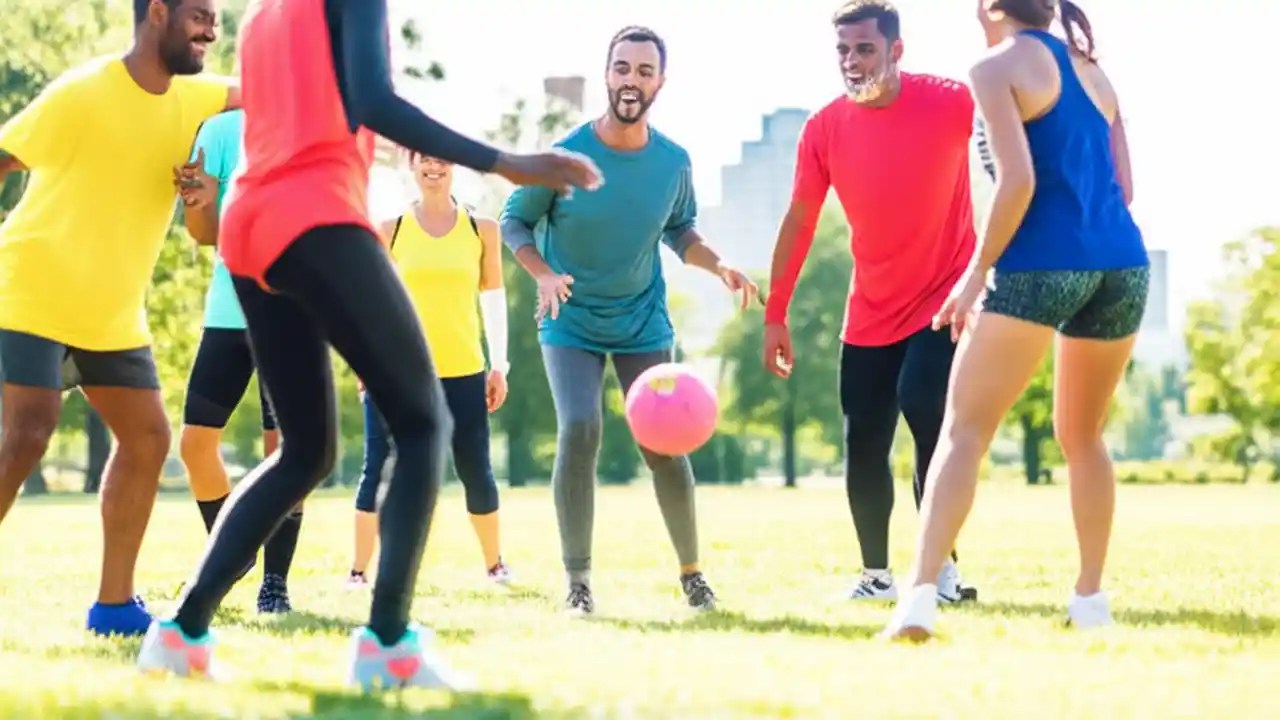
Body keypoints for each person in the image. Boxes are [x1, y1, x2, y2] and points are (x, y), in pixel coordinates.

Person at [135, 0, 601, 688]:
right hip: (315, 216)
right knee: (422, 424)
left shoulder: (262, 14)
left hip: (251, 226)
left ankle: (181, 632)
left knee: (306, 450)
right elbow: (375, 100)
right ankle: (386, 644)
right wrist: (507, 162)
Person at [883, 0, 1145, 640]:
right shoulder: (1093, 70)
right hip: (1122, 263)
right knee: (1083, 436)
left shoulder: (994, 67)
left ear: (988, 5)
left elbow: (1018, 181)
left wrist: (975, 276)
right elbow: (1125, 188)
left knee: (964, 430)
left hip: (1038, 265)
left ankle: (917, 600)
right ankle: (1090, 601)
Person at [501, 26, 758, 617]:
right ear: (607, 73)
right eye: (623, 68)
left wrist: (720, 267)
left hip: (642, 320)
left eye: (644, 71)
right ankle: (579, 581)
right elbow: (514, 222)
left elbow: (680, 229)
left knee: (664, 442)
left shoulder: (672, 161)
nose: (631, 81)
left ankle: (693, 576)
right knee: (581, 427)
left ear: (659, 83)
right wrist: (542, 274)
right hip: (569, 318)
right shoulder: (566, 157)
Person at [0, 0, 236, 637]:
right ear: (156, 11)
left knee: (149, 439)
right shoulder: (80, 95)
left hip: (111, 311)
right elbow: (4, 156)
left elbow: (271, 93)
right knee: (28, 432)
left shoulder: (197, 98)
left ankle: (113, 606)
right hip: (33, 288)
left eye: (216, 17)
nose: (211, 28)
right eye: (199, 15)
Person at [762, 0, 979, 604]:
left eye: (864, 49)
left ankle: (941, 568)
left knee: (925, 407)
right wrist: (775, 312)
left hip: (944, 298)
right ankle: (877, 575)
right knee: (863, 441)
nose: (853, 62)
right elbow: (801, 219)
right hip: (871, 309)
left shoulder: (953, 101)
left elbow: (1023, 130)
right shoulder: (825, 127)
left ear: (896, 50)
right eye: (843, 51)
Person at [348, 151, 512, 589]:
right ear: (412, 167)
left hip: (464, 370)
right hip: (397, 371)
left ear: (453, 166)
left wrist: (500, 367)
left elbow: (493, 301)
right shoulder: (391, 229)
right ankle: (359, 571)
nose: (433, 167)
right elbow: (373, 302)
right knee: (378, 465)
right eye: (424, 160)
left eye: (441, 159)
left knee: (474, 466)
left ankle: (495, 565)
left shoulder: (483, 230)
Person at [179, 108, 302, 614]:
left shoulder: (311, 125)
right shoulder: (221, 130)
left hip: (292, 313)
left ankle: (275, 583)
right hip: (229, 310)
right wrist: (198, 202)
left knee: (287, 452)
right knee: (194, 445)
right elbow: (202, 232)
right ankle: (234, 553)